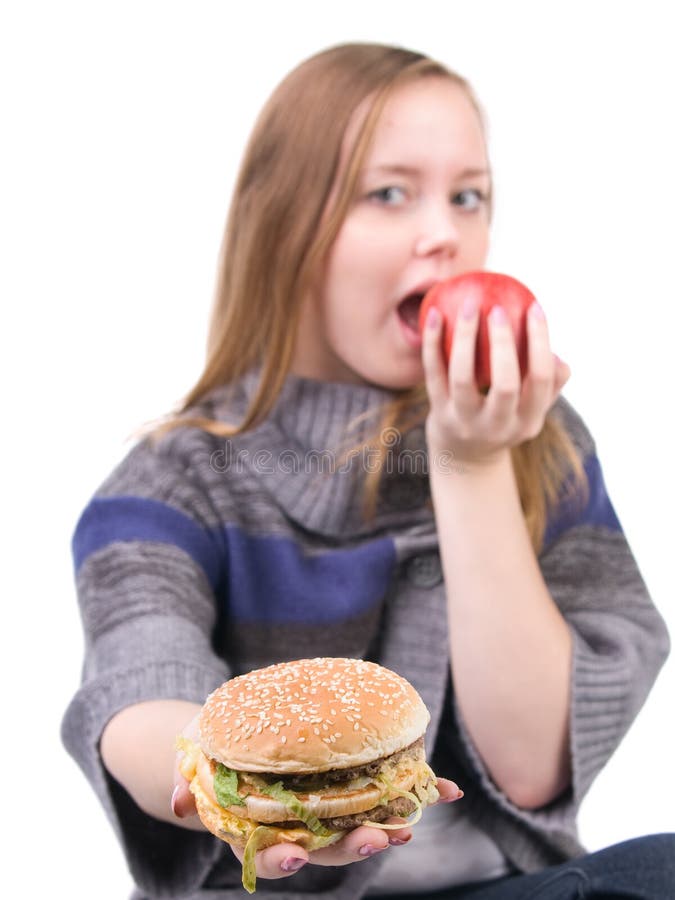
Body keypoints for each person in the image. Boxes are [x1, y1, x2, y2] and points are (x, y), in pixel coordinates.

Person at [62, 42, 674, 899]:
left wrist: (472, 462)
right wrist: (233, 783)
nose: (445, 234)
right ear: (284, 227)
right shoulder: (173, 478)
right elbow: (139, 681)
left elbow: (533, 766)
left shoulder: (533, 433)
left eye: (468, 196)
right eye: (389, 193)